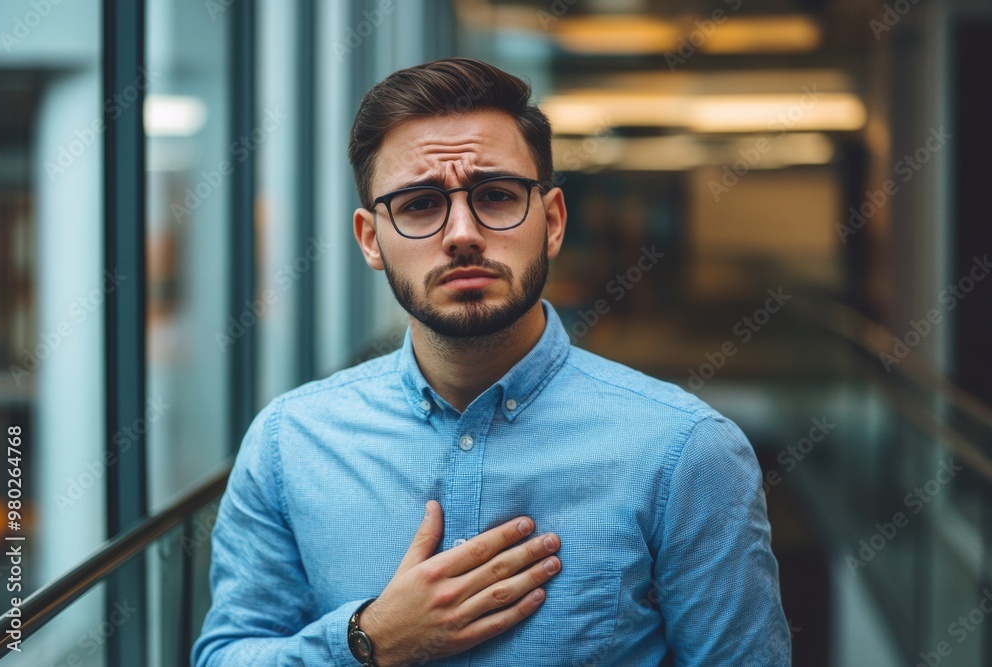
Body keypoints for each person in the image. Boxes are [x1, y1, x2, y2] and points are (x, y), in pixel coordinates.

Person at [192, 57, 790, 667]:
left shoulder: (685, 451)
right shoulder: (289, 443)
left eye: (496, 196)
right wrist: (367, 641)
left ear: (552, 222)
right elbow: (225, 655)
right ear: (371, 239)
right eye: (421, 203)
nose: (462, 233)